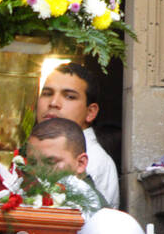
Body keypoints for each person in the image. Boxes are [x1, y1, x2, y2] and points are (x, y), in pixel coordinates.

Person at [36, 62, 119, 208]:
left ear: (90, 112)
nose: (53, 103)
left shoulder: (94, 160)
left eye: (69, 96)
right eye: (47, 94)